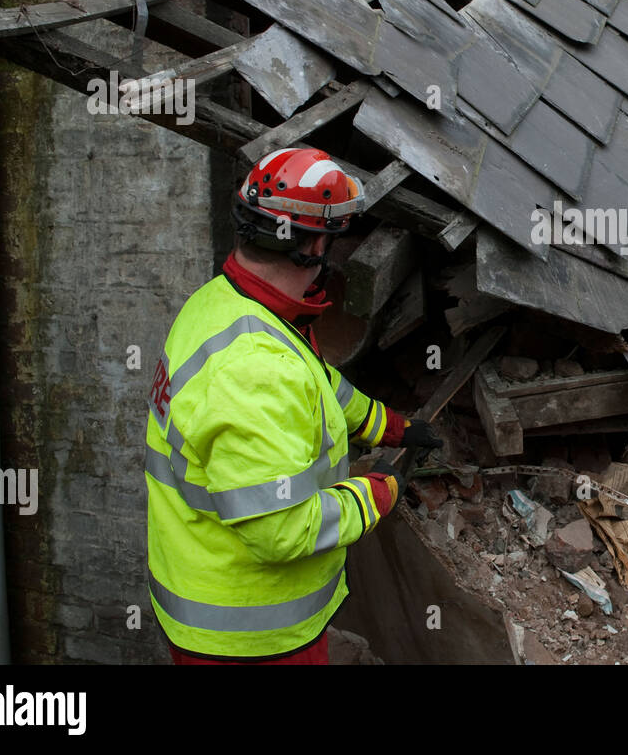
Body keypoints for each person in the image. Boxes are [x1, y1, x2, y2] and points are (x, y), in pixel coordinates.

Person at [144, 147, 441, 664]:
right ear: (317, 243)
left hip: (209, 593)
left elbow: (319, 386)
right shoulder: (255, 369)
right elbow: (282, 530)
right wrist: (378, 494)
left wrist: (391, 427)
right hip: (249, 634)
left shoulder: (222, 303)